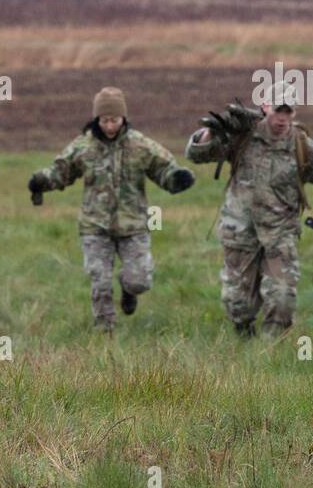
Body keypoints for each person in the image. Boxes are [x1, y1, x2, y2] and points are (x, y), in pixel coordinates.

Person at [185, 82, 313, 339]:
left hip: (280, 233)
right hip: (240, 231)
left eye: (289, 111)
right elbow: (196, 154)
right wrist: (210, 133)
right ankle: (244, 336)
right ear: (265, 107)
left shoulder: (301, 145)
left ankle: (270, 352)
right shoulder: (243, 135)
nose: (283, 118)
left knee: (282, 298)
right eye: (278, 110)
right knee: (238, 305)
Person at [27, 87, 195, 332]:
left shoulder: (140, 144)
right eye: (104, 120)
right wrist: (42, 180)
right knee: (100, 281)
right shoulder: (84, 146)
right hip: (94, 226)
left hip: (133, 224)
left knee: (140, 281)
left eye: (114, 120)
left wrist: (176, 178)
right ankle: (104, 330)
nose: (109, 126)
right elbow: (61, 171)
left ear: (123, 118)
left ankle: (128, 290)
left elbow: (163, 168)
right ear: (96, 118)